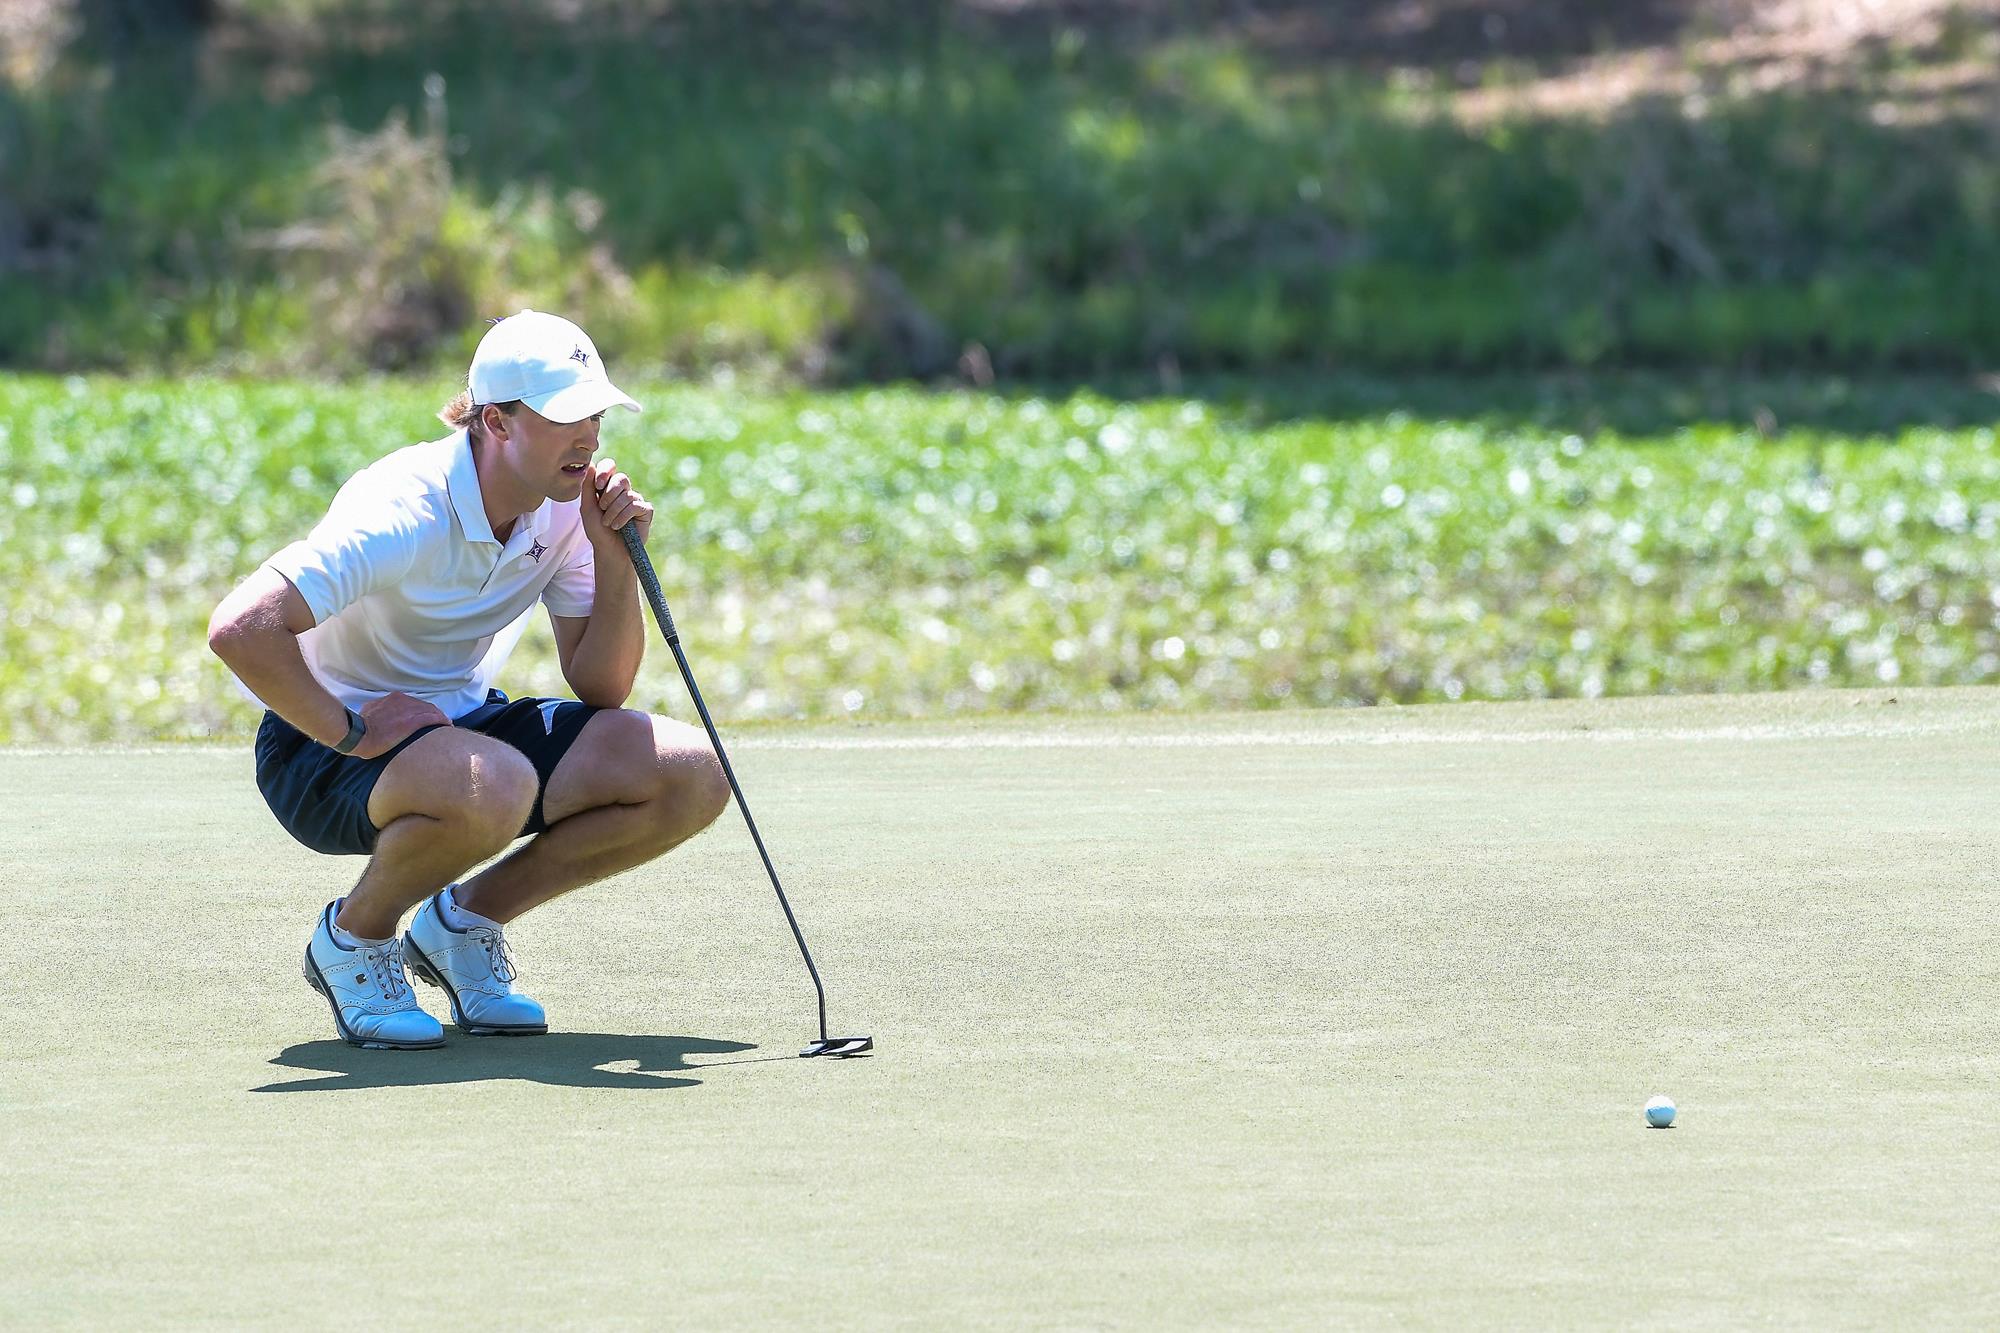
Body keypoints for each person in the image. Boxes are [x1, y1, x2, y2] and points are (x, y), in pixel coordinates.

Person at [208, 310, 730, 1050]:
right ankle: (352, 940)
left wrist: (617, 560)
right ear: (497, 423)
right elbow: (241, 627)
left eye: (596, 414)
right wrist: (349, 730)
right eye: (565, 416)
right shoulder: (403, 507)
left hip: (459, 732)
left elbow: (603, 686)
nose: (589, 436)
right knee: (497, 780)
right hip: (316, 751)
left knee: (692, 774)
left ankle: (462, 925)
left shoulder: (564, 509)